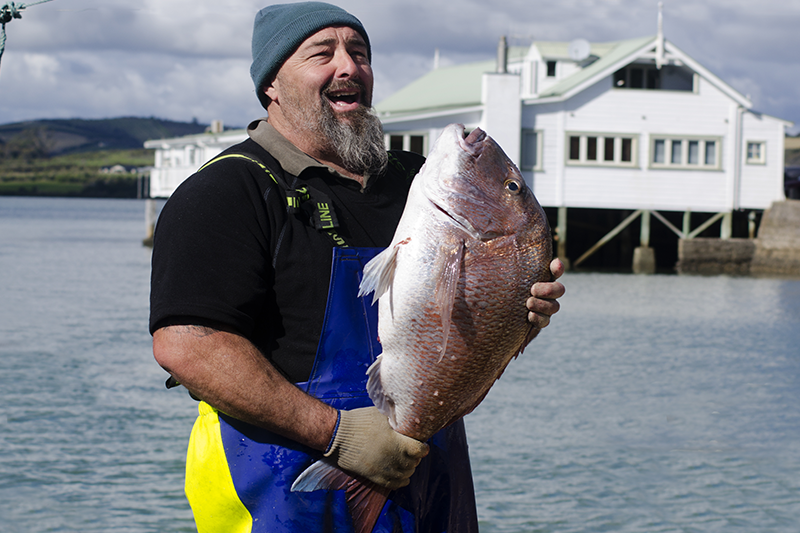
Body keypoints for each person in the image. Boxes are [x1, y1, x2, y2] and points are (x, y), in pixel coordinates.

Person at [149, 3, 565, 532]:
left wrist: (516, 313)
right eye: (323, 54)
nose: (349, 67)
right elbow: (189, 345)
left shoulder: (417, 184)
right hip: (283, 497)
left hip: (430, 488)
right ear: (271, 85)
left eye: (360, 53)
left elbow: (463, 336)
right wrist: (337, 434)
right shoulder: (227, 191)